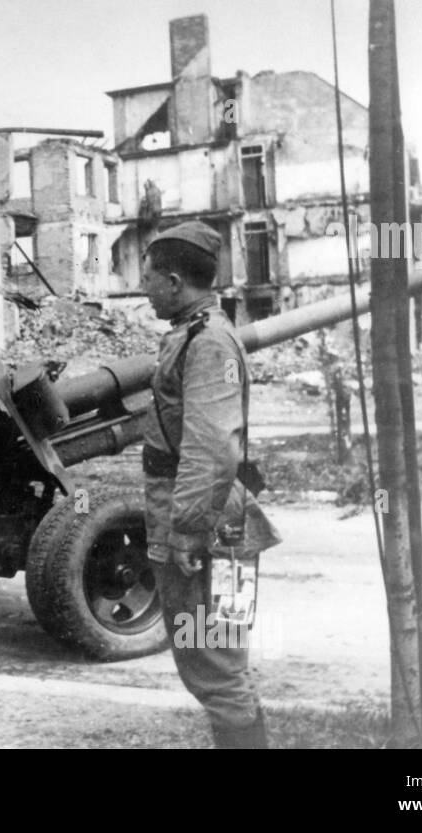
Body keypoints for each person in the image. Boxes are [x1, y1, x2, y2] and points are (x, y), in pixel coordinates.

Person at [140, 221, 281, 749]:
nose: (144, 287)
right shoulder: (195, 334)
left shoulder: (208, 343)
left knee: (213, 663)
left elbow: (214, 447)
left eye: (149, 277)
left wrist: (186, 531)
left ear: (175, 283)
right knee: (215, 662)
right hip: (215, 527)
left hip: (212, 534)